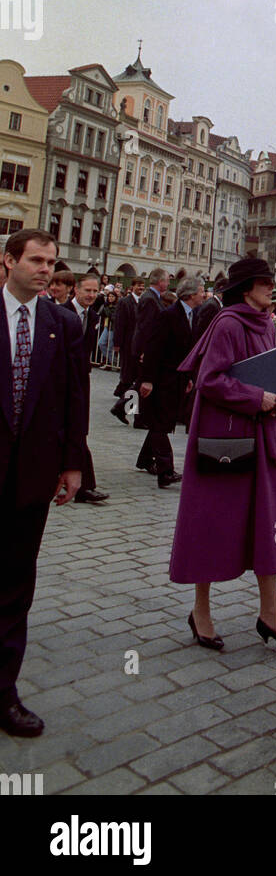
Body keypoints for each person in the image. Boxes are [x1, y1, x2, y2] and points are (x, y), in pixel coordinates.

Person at [169, 258, 276, 650]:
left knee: (266, 522)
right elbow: (209, 379)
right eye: (264, 282)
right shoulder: (229, 322)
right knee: (212, 524)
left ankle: (271, 612)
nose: (272, 287)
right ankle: (200, 610)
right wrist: (257, 396)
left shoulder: (267, 322)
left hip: (263, 431)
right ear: (246, 288)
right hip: (226, 438)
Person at [0, 229, 88, 737]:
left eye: (51, 262)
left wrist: (72, 464)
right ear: (9, 261)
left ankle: (4, 690)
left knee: (15, 585)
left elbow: (75, 397)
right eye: (36, 260)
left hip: (31, 474)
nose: (45, 270)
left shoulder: (62, 323)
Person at [137, 276, 205, 487]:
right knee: (160, 423)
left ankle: (146, 459)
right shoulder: (168, 316)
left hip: (177, 378)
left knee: (162, 421)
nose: (204, 294)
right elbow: (153, 348)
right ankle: (165, 471)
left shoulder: (192, 315)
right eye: (202, 291)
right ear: (191, 294)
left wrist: (188, 378)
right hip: (162, 378)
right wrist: (147, 380)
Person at [63, 272, 109, 504]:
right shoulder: (61, 312)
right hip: (59, 382)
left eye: (95, 291)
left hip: (81, 382)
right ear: (76, 290)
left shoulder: (92, 316)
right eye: (87, 290)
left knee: (79, 431)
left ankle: (85, 486)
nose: (91, 295)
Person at [110, 278, 144, 421]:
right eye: (139, 286)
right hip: (127, 344)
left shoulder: (142, 302)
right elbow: (119, 324)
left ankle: (127, 408)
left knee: (134, 378)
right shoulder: (125, 302)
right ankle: (123, 407)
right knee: (128, 377)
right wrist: (117, 343)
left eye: (143, 287)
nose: (141, 289)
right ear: (132, 287)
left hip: (137, 346)